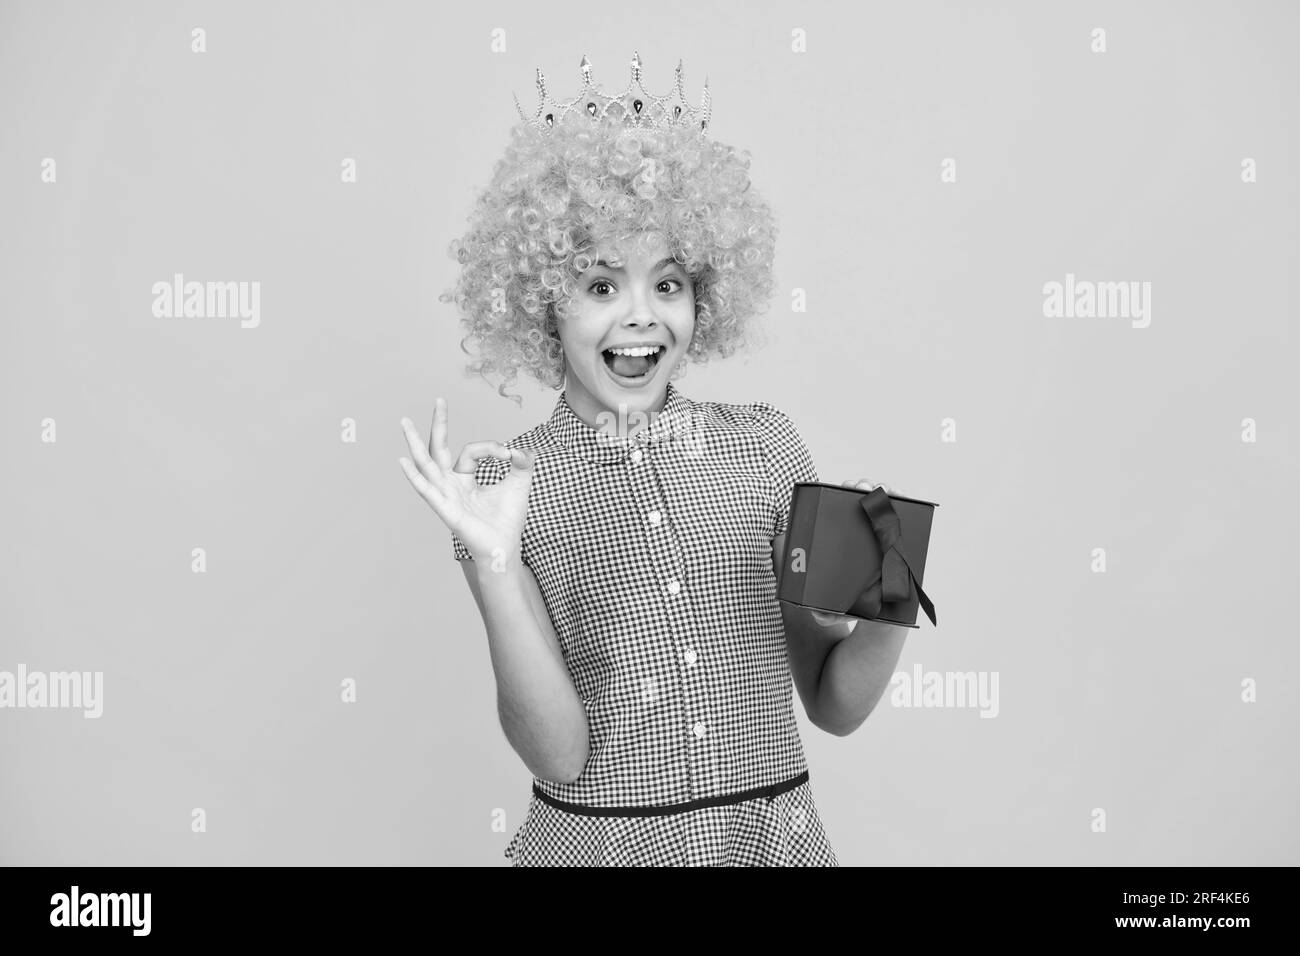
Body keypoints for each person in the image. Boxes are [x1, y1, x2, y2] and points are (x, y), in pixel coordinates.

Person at [399, 53, 912, 866]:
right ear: (543, 300)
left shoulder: (767, 448)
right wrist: (495, 562)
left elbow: (833, 703)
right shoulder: (502, 490)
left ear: (704, 296)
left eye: (667, 284)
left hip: (768, 847)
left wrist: (888, 604)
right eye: (602, 286)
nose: (642, 318)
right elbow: (556, 754)